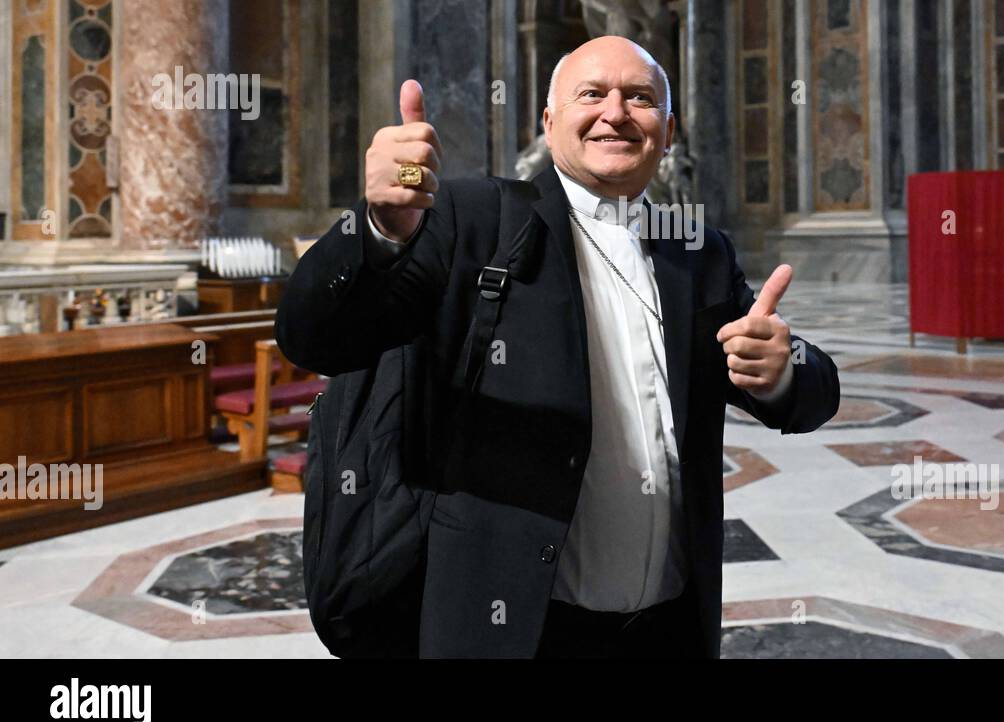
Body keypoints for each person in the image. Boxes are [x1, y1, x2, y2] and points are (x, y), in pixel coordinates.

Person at [275, 35, 839, 658]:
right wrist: (377, 226)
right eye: (592, 94)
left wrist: (785, 371)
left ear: (669, 129)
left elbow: (806, 394)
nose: (616, 112)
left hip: (667, 628)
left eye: (640, 98)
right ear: (548, 122)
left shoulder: (699, 252)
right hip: (515, 629)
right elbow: (316, 337)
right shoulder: (477, 219)